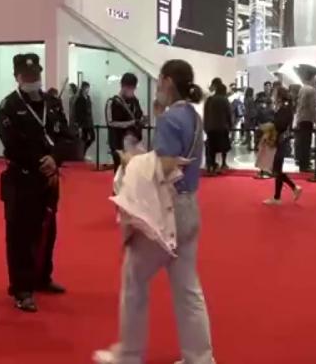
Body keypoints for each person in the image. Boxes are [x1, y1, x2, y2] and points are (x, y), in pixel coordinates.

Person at [94, 59, 215, 364]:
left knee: (134, 280)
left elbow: (165, 165)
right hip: (189, 205)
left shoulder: (171, 119)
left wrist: (132, 161)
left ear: (168, 81)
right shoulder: (193, 116)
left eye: (160, 80)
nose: (157, 85)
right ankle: (200, 358)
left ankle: (129, 354)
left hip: (166, 210)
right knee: (188, 289)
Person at [0, 53, 69, 313]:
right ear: (17, 77)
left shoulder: (53, 104)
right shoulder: (8, 107)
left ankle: (42, 276)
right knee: (20, 235)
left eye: (35, 75)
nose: (32, 79)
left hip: (49, 178)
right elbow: (12, 144)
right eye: (26, 76)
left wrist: (55, 158)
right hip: (22, 178)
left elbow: (66, 137)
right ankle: (21, 288)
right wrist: (41, 161)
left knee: (48, 229)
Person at [264, 87, 303, 205]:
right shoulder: (283, 108)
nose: (272, 96)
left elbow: (280, 125)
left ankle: (285, 192)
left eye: (274, 93)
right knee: (277, 169)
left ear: (279, 96)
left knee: (276, 169)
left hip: (281, 141)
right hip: (280, 141)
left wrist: (271, 124)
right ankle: (283, 194)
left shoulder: (284, 109)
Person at [106, 73, 145, 172]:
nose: (131, 91)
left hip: (134, 141)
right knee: (119, 170)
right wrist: (130, 123)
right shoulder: (113, 102)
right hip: (118, 142)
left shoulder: (134, 101)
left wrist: (141, 121)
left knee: (133, 172)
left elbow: (139, 115)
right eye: (129, 88)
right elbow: (110, 123)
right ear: (123, 86)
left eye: (133, 88)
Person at [203, 83, 233, 175]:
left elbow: (206, 113)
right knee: (223, 147)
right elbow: (229, 113)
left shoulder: (209, 99)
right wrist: (231, 125)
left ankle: (211, 166)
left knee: (211, 148)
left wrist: (206, 126)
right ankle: (223, 164)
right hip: (222, 127)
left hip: (211, 127)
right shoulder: (224, 100)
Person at [295, 72, 316, 173]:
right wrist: (315, 120)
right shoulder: (311, 90)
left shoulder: (302, 89)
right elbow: (312, 107)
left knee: (302, 141)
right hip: (308, 118)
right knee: (307, 142)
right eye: (315, 78)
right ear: (311, 78)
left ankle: (302, 163)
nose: (315, 81)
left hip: (301, 117)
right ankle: (305, 164)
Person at [74, 81, 96, 155]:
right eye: (87, 88)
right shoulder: (79, 99)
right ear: (84, 88)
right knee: (84, 138)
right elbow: (78, 112)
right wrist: (79, 124)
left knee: (92, 137)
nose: (88, 90)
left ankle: (83, 151)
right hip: (83, 123)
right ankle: (82, 153)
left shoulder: (88, 98)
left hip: (89, 122)